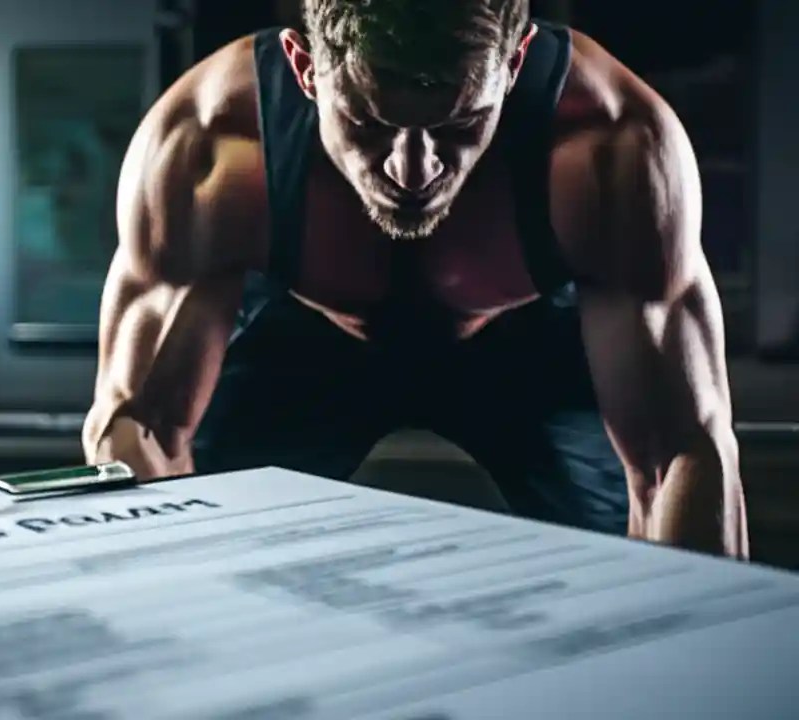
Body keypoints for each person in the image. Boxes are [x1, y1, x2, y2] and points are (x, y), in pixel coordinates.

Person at [82, 0, 747, 559]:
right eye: (369, 123)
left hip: (525, 346)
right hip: (308, 340)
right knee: (199, 529)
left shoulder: (612, 144)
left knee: (633, 571)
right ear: (306, 69)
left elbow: (683, 451)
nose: (411, 171)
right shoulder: (212, 144)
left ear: (511, 67)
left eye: (458, 124)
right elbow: (139, 424)